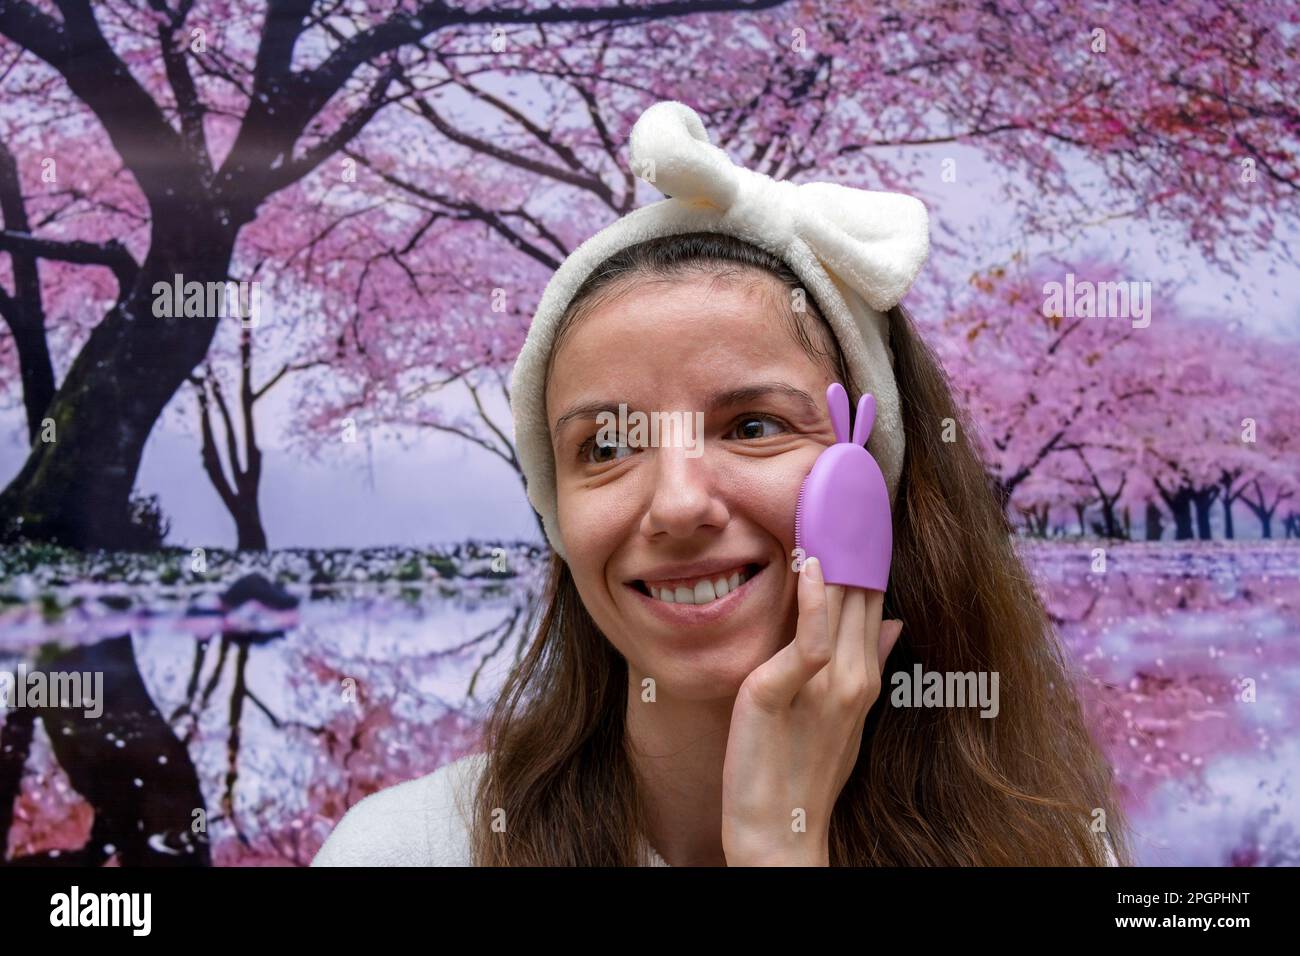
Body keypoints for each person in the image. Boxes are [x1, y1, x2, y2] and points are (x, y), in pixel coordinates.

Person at [313, 100, 1126, 867]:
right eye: (606, 446)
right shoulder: (407, 849)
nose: (676, 505)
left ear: (873, 483)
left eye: (753, 428)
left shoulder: (1053, 849)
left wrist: (781, 845)